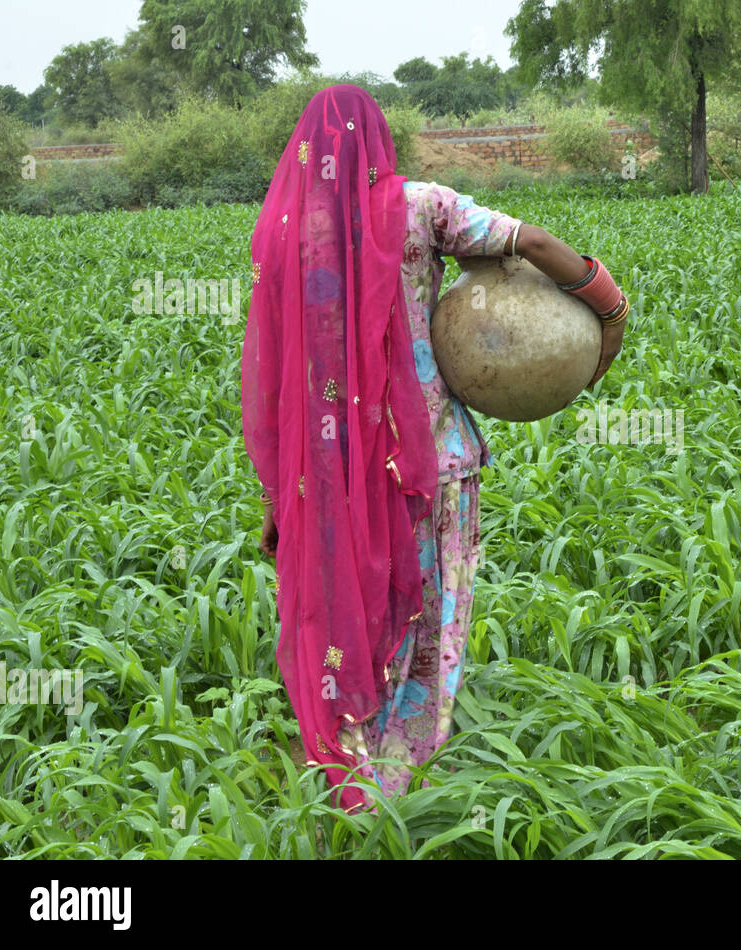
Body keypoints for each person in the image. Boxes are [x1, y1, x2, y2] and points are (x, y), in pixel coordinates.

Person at [241, 84, 627, 812]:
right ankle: (399, 783)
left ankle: (349, 765)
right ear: (379, 139)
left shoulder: (283, 234)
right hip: (430, 460)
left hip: (330, 474)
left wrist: (276, 497)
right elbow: (536, 244)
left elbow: (277, 376)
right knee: (428, 615)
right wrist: (611, 308)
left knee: (351, 614)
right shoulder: (420, 207)